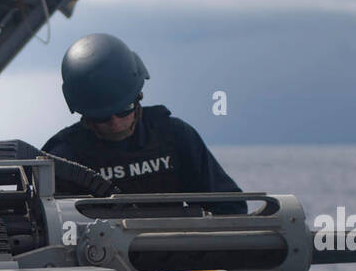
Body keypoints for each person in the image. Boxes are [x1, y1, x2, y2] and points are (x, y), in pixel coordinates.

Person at [43, 33, 246, 214]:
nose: (115, 123)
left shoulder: (175, 137)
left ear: (138, 98)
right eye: (102, 117)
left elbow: (230, 208)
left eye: (124, 110)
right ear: (84, 115)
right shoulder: (63, 157)